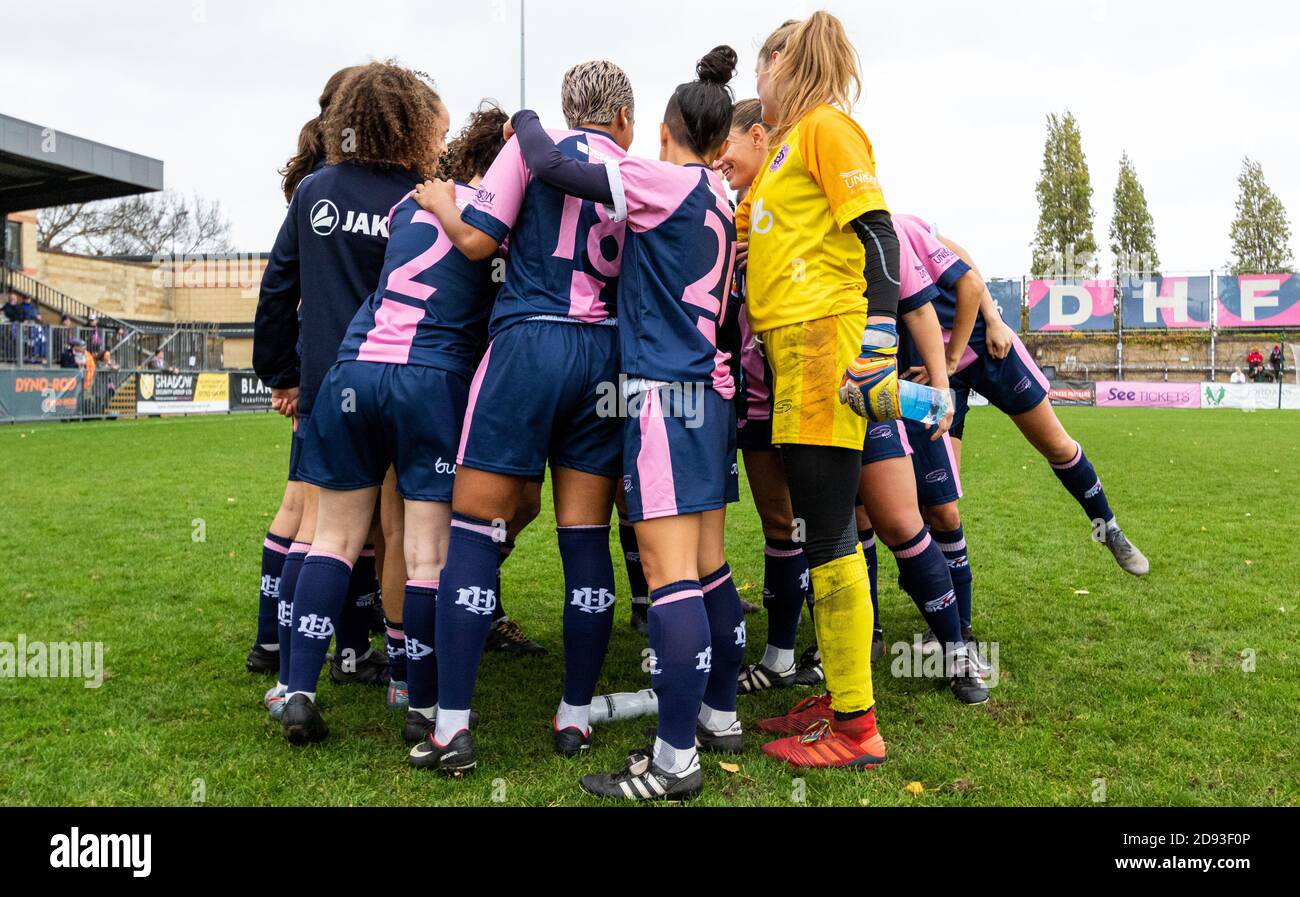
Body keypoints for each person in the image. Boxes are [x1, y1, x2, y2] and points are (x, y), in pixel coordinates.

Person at [499, 45, 745, 801]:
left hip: (663, 393)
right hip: (709, 390)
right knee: (708, 568)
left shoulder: (662, 181)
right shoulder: (723, 194)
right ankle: (721, 715)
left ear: (661, 129)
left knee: (669, 578)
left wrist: (523, 116)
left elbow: (552, 163)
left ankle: (674, 762)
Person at [406, 60, 635, 775]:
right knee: (585, 536)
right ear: (624, 117)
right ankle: (574, 715)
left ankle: (453, 727)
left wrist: (443, 204)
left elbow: (477, 239)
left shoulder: (535, 149)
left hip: (528, 343)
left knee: (474, 526)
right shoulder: (633, 167)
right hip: (605, 356)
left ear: (570, 111)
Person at [282, 100, 533, 749]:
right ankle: (423, 706)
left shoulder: (407, 205)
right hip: (431, 378)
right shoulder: (497, 215)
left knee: (333, 539)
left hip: (355, 369)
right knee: (426, 553)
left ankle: (297, 690)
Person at [727, 13, 912, 770]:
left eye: (760, 70)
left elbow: (880, 236)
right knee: (819, 525)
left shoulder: (830, 128)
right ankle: (840, 694)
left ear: (785, 64)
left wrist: (879, 340)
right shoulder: (785, 148)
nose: (754, 87)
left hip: (821, 341)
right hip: (791, 346)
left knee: (829, 531)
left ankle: (858, 725)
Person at [254, 62, 448, 741]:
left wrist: (279, 371)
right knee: (406, 535)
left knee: (326, 534)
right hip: (414, 379)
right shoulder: (427, 196)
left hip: (332, 388)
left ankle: (295, 684)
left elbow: (278, 288)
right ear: (415, 126)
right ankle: (410, 685)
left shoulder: (315, 191)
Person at [902, 216, 1148, 578]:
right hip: (932, 372)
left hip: (987, 348)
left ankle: (1108, 528)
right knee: (940, 503)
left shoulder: (905, 227)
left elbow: (968, 273)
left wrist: (995, 320)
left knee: (1058, 446)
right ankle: (948, 609)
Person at [245, 65, 358, 681]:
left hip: (317, 374)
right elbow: (283, 288)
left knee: (305, 509)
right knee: (322, 520)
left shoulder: (316, 177)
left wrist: (287, 370)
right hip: (338, 376)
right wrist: (285, 371)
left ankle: (276, 644)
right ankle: (328, 652)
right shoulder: (333, 182)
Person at [714, 98, 818, 692]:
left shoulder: (800, 188)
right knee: (780, 525)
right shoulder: (726, 213)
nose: (721, 159)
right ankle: (781, 654)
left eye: (728, 145)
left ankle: (839, 659)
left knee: (835, 523)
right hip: (754, 390)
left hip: (808, 375)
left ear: (759, 138)